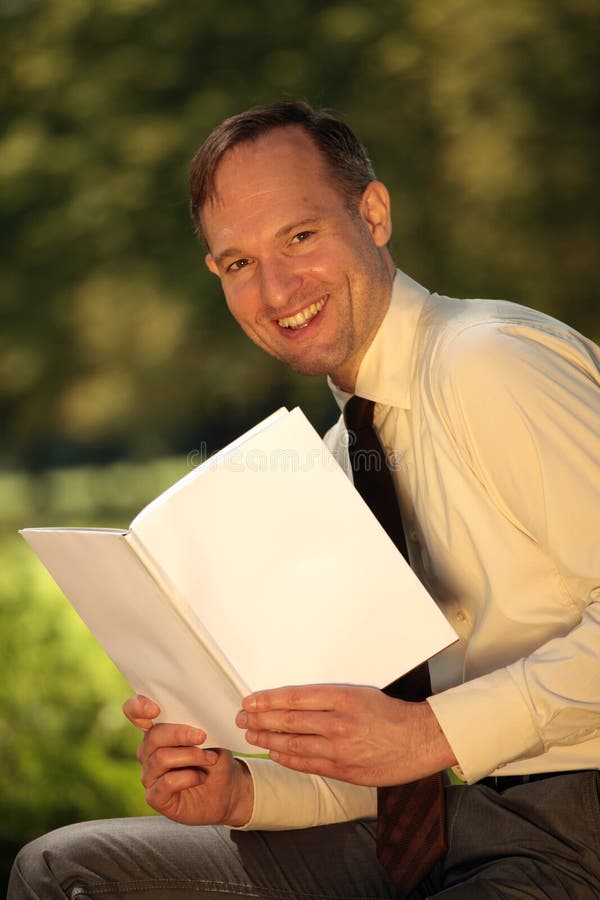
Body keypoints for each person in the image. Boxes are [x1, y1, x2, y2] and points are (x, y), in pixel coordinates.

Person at [8, 100, 600, 899]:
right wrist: (242, 793)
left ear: (374, 215)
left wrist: (433, 734)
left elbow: (423, 742)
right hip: (447, 823)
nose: (277, 288)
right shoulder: (337, 460)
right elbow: (387, 762)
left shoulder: (486, 364)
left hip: (572, 826)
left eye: (300, 236)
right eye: (238, 264)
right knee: (68, 872)